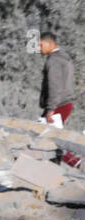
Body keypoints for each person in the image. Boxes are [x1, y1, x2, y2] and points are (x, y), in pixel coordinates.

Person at [39, 31, 78, 167]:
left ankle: (77, 163)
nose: (39, 48)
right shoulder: (65, 57)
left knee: (47, 137)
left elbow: (54, 87)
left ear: (49, 44)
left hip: (58, 104)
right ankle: (55, 167)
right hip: (66, 102)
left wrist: (51, 109)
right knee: (51, 137)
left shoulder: (54, 60)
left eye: (41, 45)